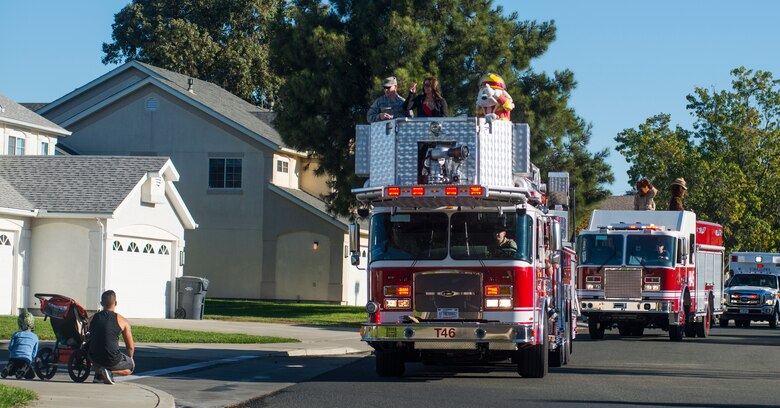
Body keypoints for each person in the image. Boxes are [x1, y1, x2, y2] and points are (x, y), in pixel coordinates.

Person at [88, 290, 135, 384]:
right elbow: (130, 346)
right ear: (116, 303)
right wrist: (131, 358)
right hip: (112, 359)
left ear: (101, 303)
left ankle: (99, 373)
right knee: (131, 368)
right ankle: (108, 372)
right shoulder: (123, 321)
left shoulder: (92, 318)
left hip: (94, 357)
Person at [2, 311, 39, 379]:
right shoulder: (35, 337)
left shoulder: (16, 334)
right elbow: (34, 353)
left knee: (11, 371)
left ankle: (8, 367)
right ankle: (23, 370)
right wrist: (32, 358)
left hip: (14, 358)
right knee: (31, 376)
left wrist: (13, 353)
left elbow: (10, 347)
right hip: (25, 359)